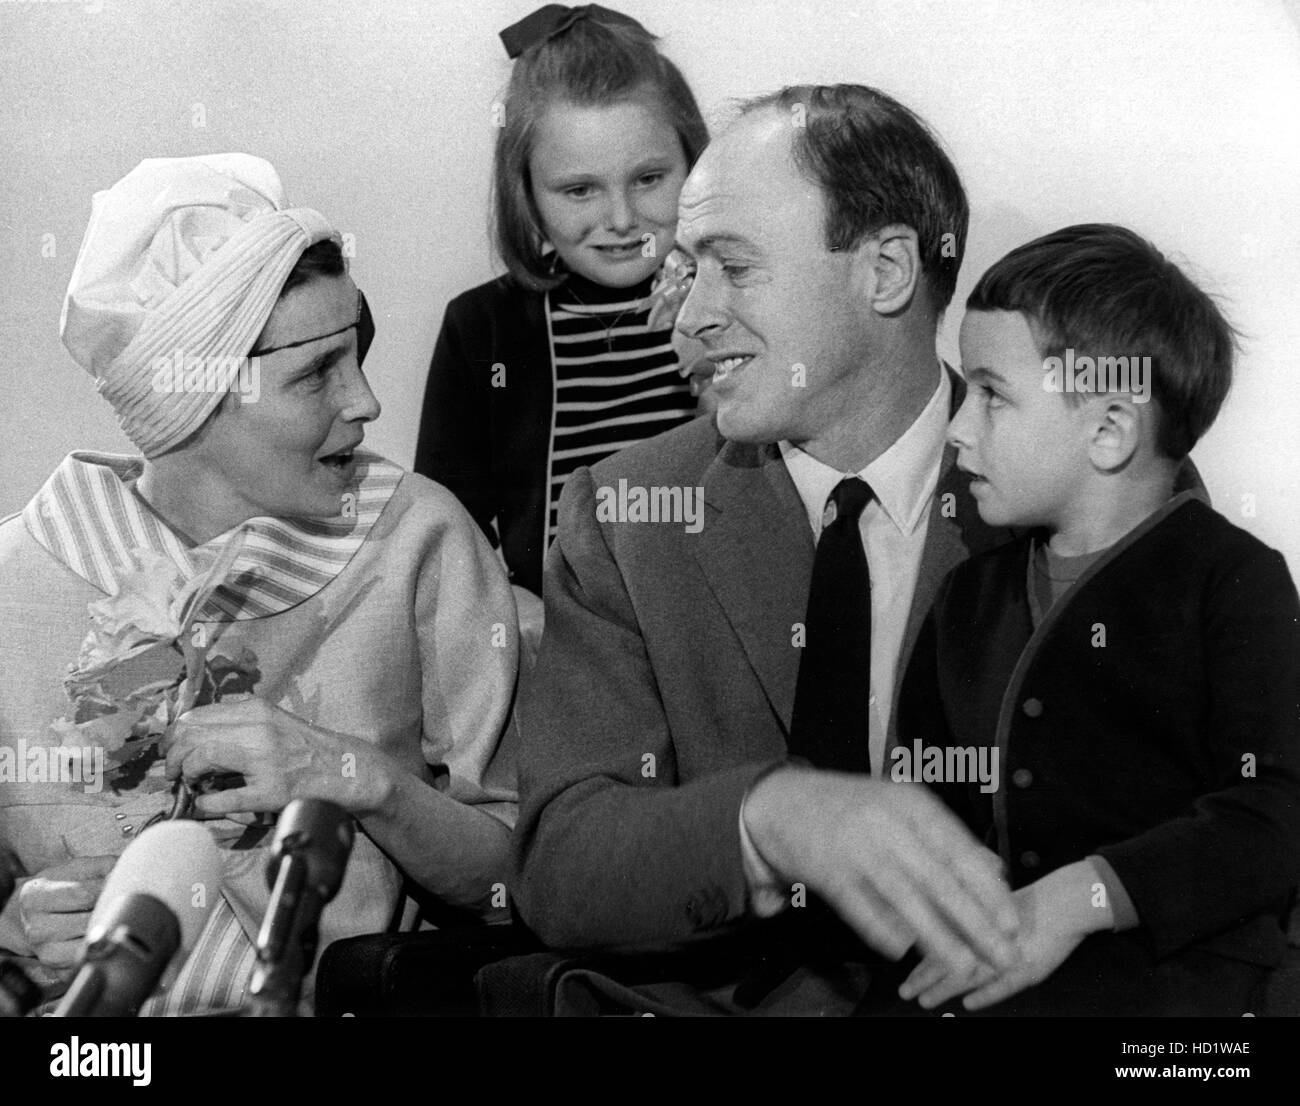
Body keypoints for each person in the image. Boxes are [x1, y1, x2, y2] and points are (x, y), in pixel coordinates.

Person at [510, 84, 1028, 1016]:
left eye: (733, 268)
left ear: (886, 271)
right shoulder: (627, 516)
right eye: (687, 270)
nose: (687, 321)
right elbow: (563, 866)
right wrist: (768, 818)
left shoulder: (1082, 491)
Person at [0, 154, 519, 1015]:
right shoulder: (17, 584)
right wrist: (12, 931)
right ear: (188, 398)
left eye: (356, 355)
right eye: (316, 373)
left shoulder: (422, 538)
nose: (365, 403)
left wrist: (355, 776)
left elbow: (520, 885)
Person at [886, 224, 1300, 1016]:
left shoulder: (1235, 582)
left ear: (1109, 431)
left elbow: (1272, 817)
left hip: (1187, 1001)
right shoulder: (966, 599)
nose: (959, 428)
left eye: (992, 394)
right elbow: (926, 790)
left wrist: (1080, 899)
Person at [413, 4, 711, 657]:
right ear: (527, 195)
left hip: (723, 647)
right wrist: (518, 623)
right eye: (579, 190)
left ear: (696, 164)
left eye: (650, 178)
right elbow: (443, 537)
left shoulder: (736, 310)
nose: (623, 217)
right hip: (561, 657)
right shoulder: (482, 329)